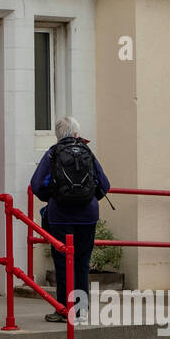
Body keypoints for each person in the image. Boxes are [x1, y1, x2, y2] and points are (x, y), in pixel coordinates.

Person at [29, 116, 111, 323]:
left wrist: (54, 197)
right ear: (76, 134)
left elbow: (37, 184)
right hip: (88, 215)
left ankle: (64, 309)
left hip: (61, 216)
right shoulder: (87, 152)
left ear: (57, 135)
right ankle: (81, 311)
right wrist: (87, 199)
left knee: (63, 262)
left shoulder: (53, 153)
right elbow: (105, 184)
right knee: (82, 263)